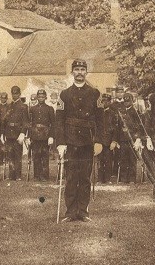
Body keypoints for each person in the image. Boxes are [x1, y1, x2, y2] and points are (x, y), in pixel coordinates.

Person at [54, 60, 105, 222]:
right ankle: (70, 212)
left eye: (82, 69)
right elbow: (59, 120)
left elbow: (101, 120)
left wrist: (98, 141)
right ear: (72, 72)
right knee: (70, 177)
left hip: (87, 142)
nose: (80, 72)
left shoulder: (95, 94)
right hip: (70, 141)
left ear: (86, 72)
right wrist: (60, 142)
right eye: (77, 69)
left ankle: (83, 211)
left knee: (84, 177)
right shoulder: (65, 94)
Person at [2, 86, 29, 181]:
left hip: (18, 134)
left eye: (16, 93)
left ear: (19, 94)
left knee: (18, 155)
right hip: (9, 133)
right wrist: (3, 133)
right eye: (13, 93)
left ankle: (18, 175)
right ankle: (11, 174)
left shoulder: (23, 106)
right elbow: (4, 121)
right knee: (10, 154)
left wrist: (23, 133)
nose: (14, 95)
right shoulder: (9, 106)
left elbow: (26, 122)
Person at [28, 89, 56, 181]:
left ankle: (44, 176)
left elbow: (53, 124)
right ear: (37, 97)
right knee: (36, 156)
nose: (41, 98)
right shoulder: (32, 109)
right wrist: (29, 136)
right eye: (39, 96)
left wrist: (51, 136)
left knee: (44, 156)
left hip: (45, 135)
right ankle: (36, 176)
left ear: (46, 97)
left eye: (43, 97)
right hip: (35, 135)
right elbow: (30, 123)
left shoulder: (49, 109)